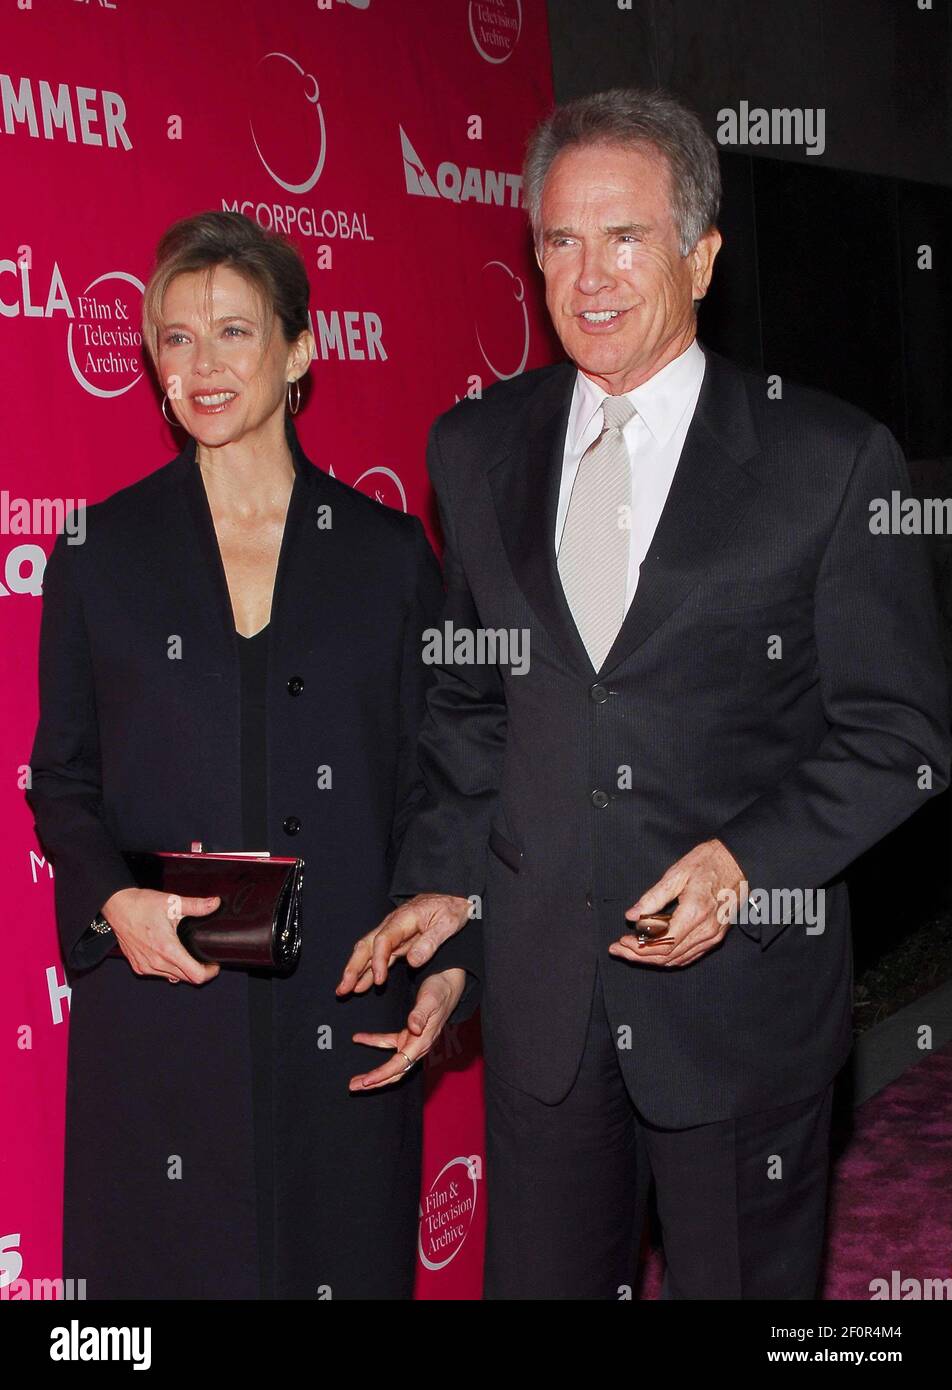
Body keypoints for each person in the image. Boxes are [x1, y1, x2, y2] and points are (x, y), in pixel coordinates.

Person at [339, 88, 952, 1298]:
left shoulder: (827, 461)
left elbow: (899, 733)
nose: (590, 275)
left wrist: (746, 861)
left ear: (701, 254)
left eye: (626, 238)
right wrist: (448, 892)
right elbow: (472, 711)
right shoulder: (473, 449)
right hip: (542, 1007)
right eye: (560, 241)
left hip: (738, 1014)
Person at [26, 210, 473, 1300]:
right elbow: (64, 777)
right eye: (176, 340)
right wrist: (113, 905)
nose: (203, 364)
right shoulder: (99, 552)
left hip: (343, 1002)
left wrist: (449, 951)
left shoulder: (386, 559)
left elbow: (435, 783)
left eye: (234, 331)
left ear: (300, 348)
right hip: (163, 1008)